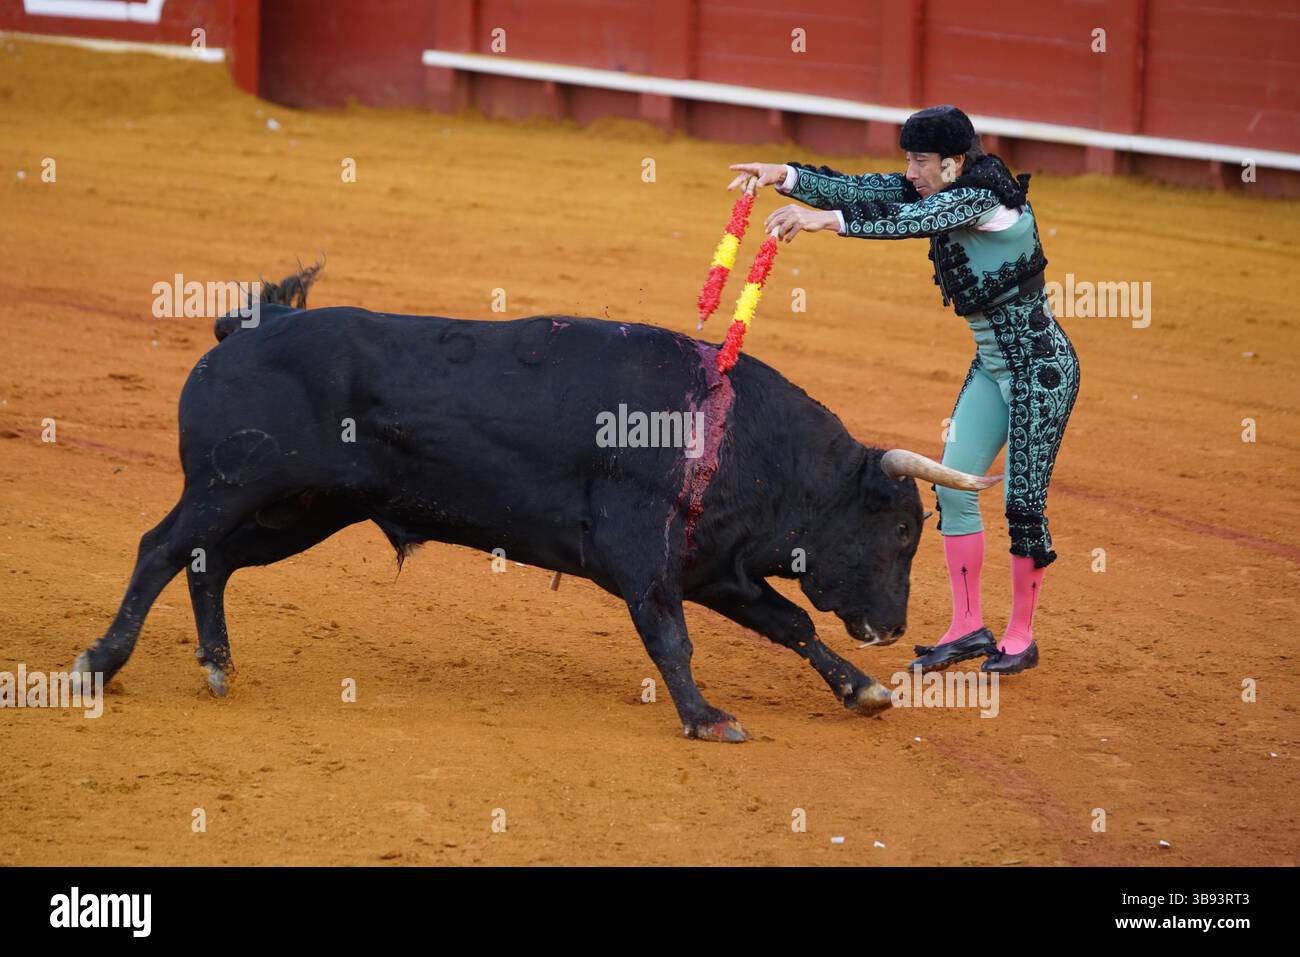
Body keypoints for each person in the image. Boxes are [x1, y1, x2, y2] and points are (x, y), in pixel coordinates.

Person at [726, 105, 1080, 675]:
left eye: (919, 161)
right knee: (955, 490)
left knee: (1022, 501)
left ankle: (1021, 635)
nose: (910, 172)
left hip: (1041, 370)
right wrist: (783, 175)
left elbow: (910, 218)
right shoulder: (940, 183)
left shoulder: (984, 195)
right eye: (908, 159)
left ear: (953, 161)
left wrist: (828, 221)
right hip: (992, 369)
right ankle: (967, 627)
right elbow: (866, 190)